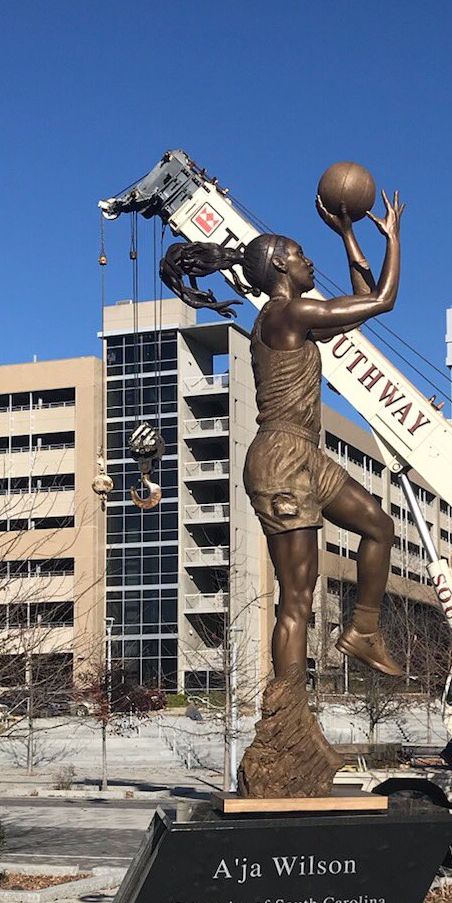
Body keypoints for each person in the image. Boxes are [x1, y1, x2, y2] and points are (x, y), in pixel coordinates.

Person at [160, 189, 405, 684]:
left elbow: (358, 307)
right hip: (281, 457)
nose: (307, 259)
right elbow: (382, 300)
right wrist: (393, 240)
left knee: (379, 526)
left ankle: (363, 630)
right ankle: (286, 710)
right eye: (298, 254)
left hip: (304, 455)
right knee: (296, 599)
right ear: (278, 267)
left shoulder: (294, 319)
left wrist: (349, 235)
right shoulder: (284, 315)